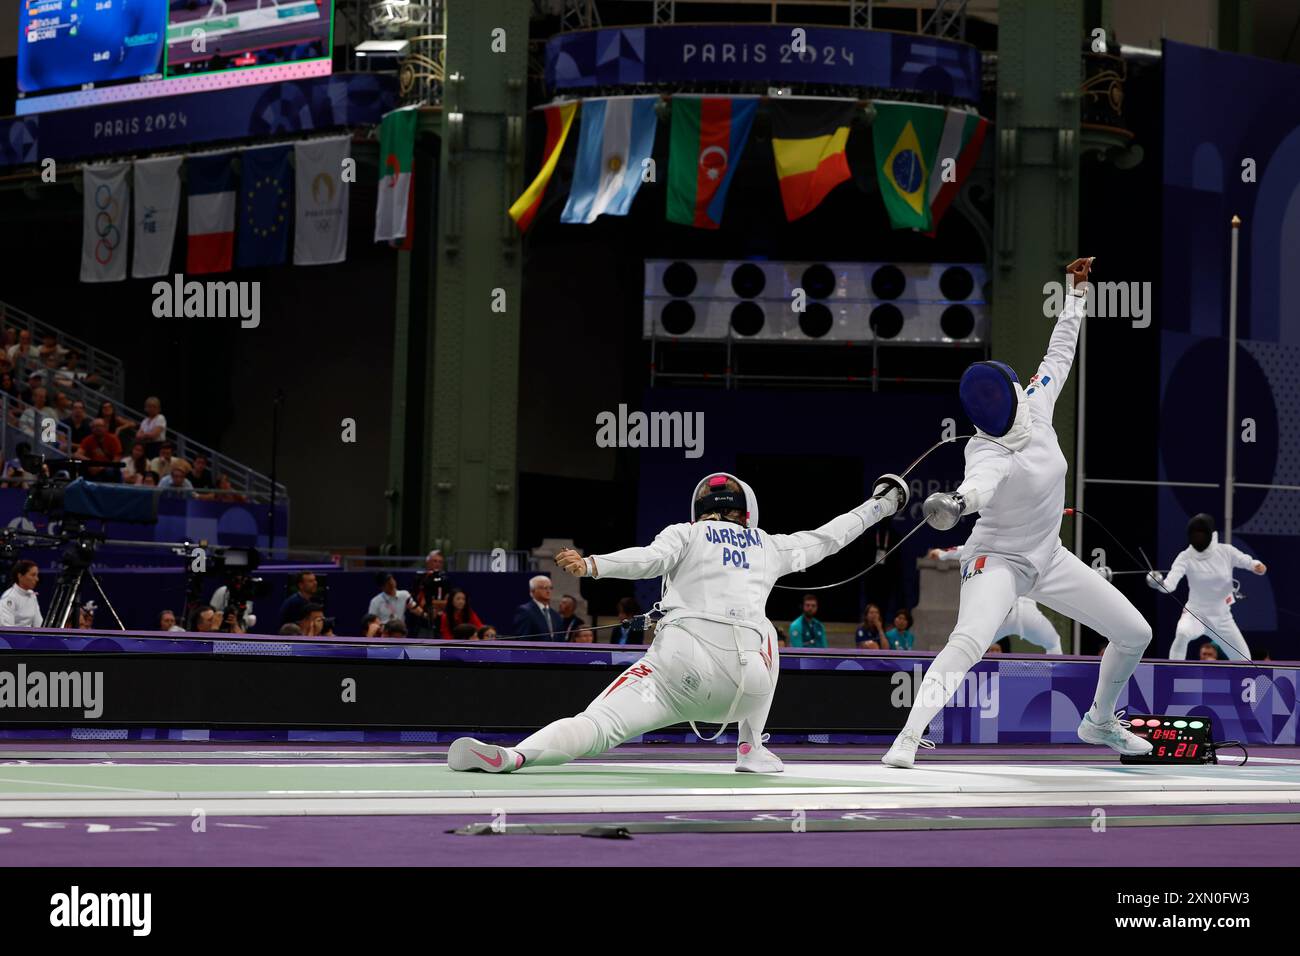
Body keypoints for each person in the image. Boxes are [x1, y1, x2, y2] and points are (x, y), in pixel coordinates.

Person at [448, 470, 908, 776]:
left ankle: (514, 755)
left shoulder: (686, 533)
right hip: (749, 685)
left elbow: (648, 560)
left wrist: (593, 564)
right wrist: (881, 505)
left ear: (700, 508)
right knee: (765, 630)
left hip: (682, 672)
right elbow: (832, 536)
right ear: (746, 511)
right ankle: (751, 746)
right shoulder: (769, 545)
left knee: (600, 724)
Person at [884, 257, 1153, 768]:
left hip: (1049, 557)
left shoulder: (1036, 403)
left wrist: (1077, 292)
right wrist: (957, 505)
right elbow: (978, 490)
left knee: (1135, 632)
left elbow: (1060, 352)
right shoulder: (986, 451)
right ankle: (907, 737)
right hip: (997, 561)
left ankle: (1099, 721)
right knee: (968, 639)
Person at [1147, 513, 1265, 661]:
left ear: (1210, 534)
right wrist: (1159, 583)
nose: (1198, 537)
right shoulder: (1185, 556)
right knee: (1182, 633)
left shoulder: (1225, 551)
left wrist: (1256, 565)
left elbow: (1246, 561)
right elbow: (1169, 585)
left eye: (1201, 533)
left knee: (1245, 660)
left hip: (1223, 618)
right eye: (1195, 534)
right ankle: (1173, 673)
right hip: (1196, 615)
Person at [929, 546, 1063, 654]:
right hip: (1001, 616)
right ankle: (967, 684)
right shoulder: (995, 544)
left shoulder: (1030, 541)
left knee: (1053, 642)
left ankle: (1056, 683)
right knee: (968, 648)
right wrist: (942, 553)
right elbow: (968, 548)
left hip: (1023, 611)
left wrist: (942, 553)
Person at [510, 575, 564, 640]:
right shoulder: (525, 611)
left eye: (550, 588)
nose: (548, 591)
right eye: (544, 588)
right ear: (532, 591)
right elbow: (523, 639)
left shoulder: (556, 615)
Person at [0, 560, 43, 628]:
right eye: (33, 575)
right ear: (20, 576)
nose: (37, 579)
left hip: (30, 637)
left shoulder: (32, 595)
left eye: (37, 575)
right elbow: (7, 631)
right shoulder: (9, 598)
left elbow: (39, 625)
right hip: (14, 638)